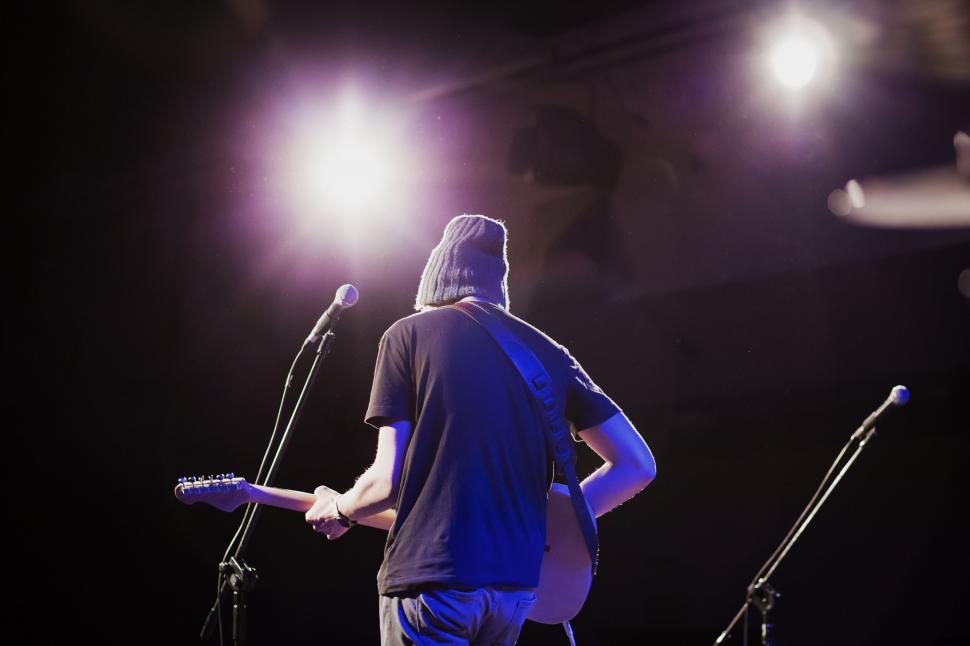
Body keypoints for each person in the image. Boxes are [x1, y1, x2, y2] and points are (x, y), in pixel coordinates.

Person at [306, 214, 656, 645]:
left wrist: (339, 508)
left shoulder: (407, 335)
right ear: (497, 287)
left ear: (437, 281)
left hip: (432, 582)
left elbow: (384, 483)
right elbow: (637, 465)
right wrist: (549, 519)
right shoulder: (548, 351)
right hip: (513, 590)